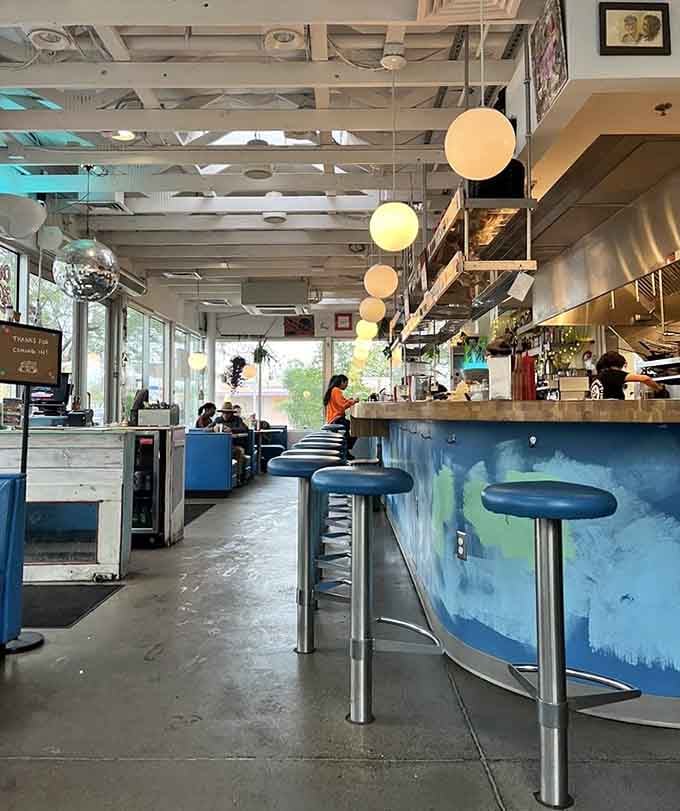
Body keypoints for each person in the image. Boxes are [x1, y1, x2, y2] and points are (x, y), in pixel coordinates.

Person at [590, 351, 664, 400]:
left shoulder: (598, 377)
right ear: (615, 364)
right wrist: (659, 389)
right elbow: (645, 379)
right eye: (620, 367)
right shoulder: (612, 374)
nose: (621, 370)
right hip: (612, 414)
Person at [323, 374, 358, 454]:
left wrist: (350, 401)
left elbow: (342, 402)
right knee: (355, 427)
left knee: (349, 427)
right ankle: (346, 448)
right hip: (336, 418)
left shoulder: (333, 390)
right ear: (342, 382)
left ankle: (345, 449)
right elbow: (342, 405)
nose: (346, 385)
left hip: (332, 419)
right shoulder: (336, 390)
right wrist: (353, 402)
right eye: (346, 383)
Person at [215, 401, 248, 481]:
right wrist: (213, 429)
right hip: (220, 446)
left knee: (239, 451)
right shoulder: (218, 420)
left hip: (235, 444)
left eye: (228, 413)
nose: (225, 415)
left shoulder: (237, 419)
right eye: (224, 413)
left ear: (231, 413)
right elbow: (206, 429)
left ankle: (238, 477)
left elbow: (244, 429)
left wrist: (231, 430)